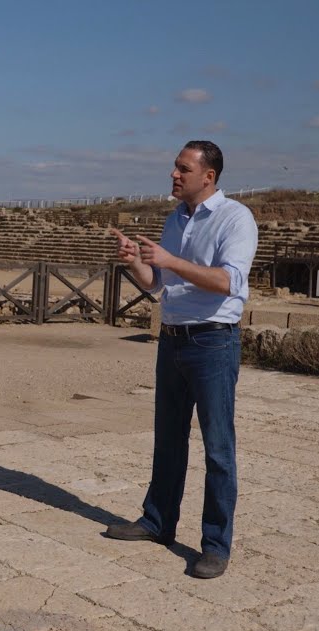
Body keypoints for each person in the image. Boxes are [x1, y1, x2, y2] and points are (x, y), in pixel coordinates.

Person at [104, 140, 258, 580]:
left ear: (208, 176)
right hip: (172, 340)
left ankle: (215, 544)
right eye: (174, 167)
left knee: (218, 448)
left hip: (213, 343)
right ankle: (157, 521)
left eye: (182, 168)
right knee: (168, 439)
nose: (173, 174)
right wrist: (136, 262)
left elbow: (230, 282)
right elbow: (157, 284)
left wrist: (171, 259)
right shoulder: (176, 219)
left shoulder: (236, 218)